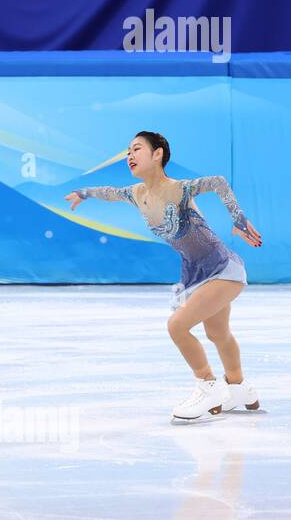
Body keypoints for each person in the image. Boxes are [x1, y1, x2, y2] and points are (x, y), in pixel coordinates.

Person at [65, 131, 263, 422]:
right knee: (217, 333)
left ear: (157, 154)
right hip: (198, 274)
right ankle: (239, 387)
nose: (129, 156)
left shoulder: (178, 189)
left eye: (136, 149)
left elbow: (218, 182)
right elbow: (110, 193)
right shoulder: (137, 194)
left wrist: (237, 217)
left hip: (223, 270)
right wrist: (84, 193)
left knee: (177, 326)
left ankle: (208, 385)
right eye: (127, 151)